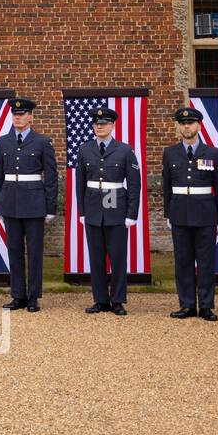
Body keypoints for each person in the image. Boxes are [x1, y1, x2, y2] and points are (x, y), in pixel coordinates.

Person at [73, 106, 141, 315]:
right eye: (96, 124)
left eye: (103, 124)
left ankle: (118, 300)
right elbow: (80, 182)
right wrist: (82, 211)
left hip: (116, 207)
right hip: (94, 206)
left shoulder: (125, 150)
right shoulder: (85, 149)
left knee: (118, 257)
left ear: (112, 125)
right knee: (96, 257)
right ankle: (100, 300)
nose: (99, 127)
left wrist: (131, 214)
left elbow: (134, 183)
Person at [0, 97, 58, 312]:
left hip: (34, 203)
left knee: (34, 251)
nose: (18, 118)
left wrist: (50, 208)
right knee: (14, 251)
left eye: (21, 115)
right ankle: (18, 295)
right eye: (15, 114)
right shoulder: (3, 142)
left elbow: (50, 177)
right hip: (10, 202)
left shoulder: (42, 142)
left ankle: (33, 296)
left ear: (30, 117)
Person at [161, 106, 218, 321]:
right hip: (180, 212)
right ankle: (187, 304)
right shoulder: (169, 153)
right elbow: (166, 185)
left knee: (206, 261)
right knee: (183, 261)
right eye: (183, 123)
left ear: (198, 125)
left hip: (206, 213)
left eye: (190, 123)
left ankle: (206, 305)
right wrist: (168, 214)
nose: (186, 126)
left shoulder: (213, 153)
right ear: (178, 127)